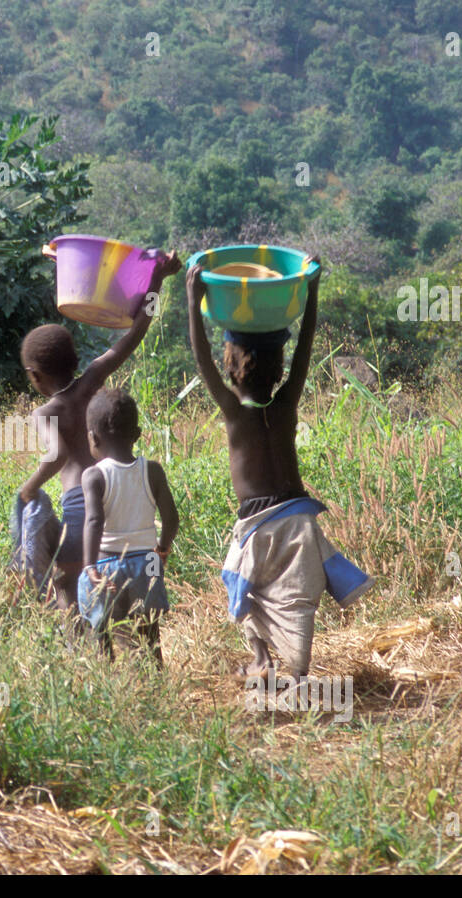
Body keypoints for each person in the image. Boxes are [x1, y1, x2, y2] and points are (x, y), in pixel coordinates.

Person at [185, 261, 374, 680]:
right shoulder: (287, 403)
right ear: (280, 369)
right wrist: (311, 293)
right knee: (295, 597)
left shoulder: (235, 413)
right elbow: (306, 349)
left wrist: (193, 300)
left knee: (245, 582)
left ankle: (260, 658)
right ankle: (297, 668)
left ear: (232, 369)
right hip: (301, 518)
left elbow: (202, 363)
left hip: (258, 524)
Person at [18, 250, 181, 614]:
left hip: (80, 509)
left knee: (70, 596)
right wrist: (158, 279)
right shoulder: (93, 378)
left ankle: (87, 664)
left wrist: (29, 488)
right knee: (124, 606)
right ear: (74, 360)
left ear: (35, 375)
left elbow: (57, 456)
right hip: (119, 507)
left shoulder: (45, 412)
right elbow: (138, 329)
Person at [77, 388, 178, 664]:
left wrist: (90, 568)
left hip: (106, 566)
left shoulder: (94, 475)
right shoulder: (153, 470)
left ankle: (107, 681)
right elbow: (171, 520)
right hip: (148, 563)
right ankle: (155, 687)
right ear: (137, 434)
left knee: (101, 632)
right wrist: (162, 553)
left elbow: (94, 521)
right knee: (149, 640)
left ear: (93, 438)